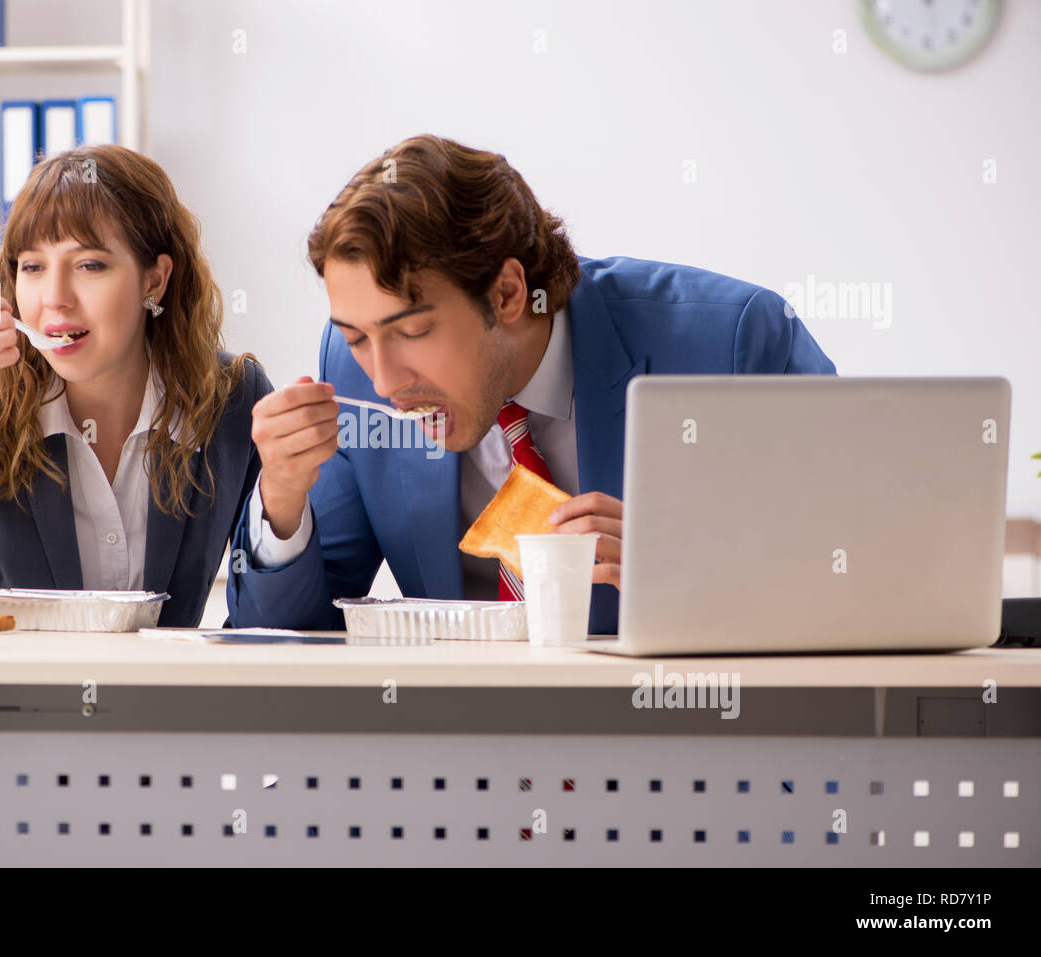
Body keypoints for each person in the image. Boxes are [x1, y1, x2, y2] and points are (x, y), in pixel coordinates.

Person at [227, 134, 837, 632]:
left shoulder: (733, 343)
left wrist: (690, 569)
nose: (384, 381)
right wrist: (281, 497)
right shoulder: (349, 371)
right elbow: (285, 635)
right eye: (357, 335)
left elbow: (860, 571)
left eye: (411, 331)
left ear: (508, 293)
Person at [0, 145, 269, 626]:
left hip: (157, 699)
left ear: (155, 281)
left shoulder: (229, 398)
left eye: (89, 265)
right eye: (33, 267)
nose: (55, 299)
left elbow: (274, 617)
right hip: (0, 697)